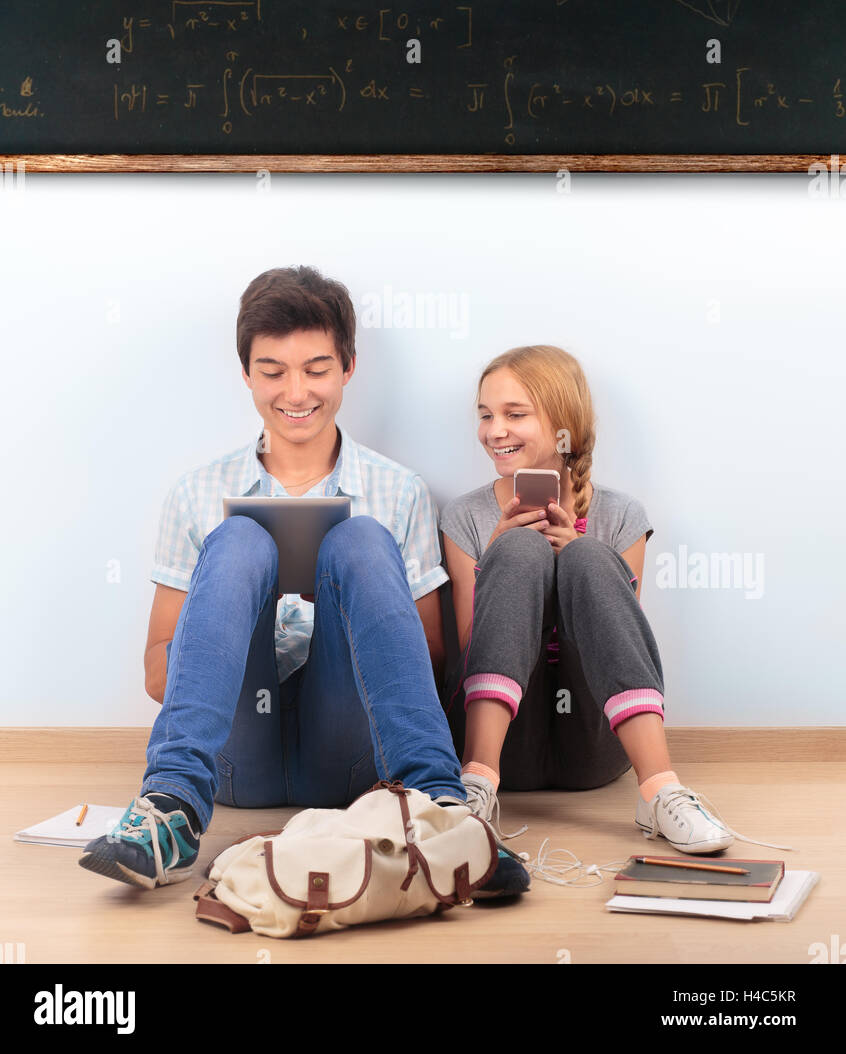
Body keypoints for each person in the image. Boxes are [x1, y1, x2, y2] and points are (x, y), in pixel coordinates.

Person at [79, 266, 529, 897]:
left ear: (349, 367)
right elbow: (157, 673)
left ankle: (440, 816)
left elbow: (425, 660)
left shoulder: (398, 491)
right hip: (239, 756)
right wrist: (247, 613)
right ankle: (171, 811)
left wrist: (332, 610)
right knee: (238, 540)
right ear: (246, 375)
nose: (296, 390)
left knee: (360, 538)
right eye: (273, 371)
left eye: (317, 369)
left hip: (345, 751)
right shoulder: (196, 493)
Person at [440, 344, 744, 856]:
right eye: (486, 415)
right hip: (505, 742)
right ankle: (476, 786)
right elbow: (471, 643)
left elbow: (622, 643)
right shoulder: (464, 516)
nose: (495, 430)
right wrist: (497, 555)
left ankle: (660, 791)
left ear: (565, 423)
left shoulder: (622, 514)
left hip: (594, 745)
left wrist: (579, 550)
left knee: (587, 558)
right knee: (516, 547)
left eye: (515, 414)